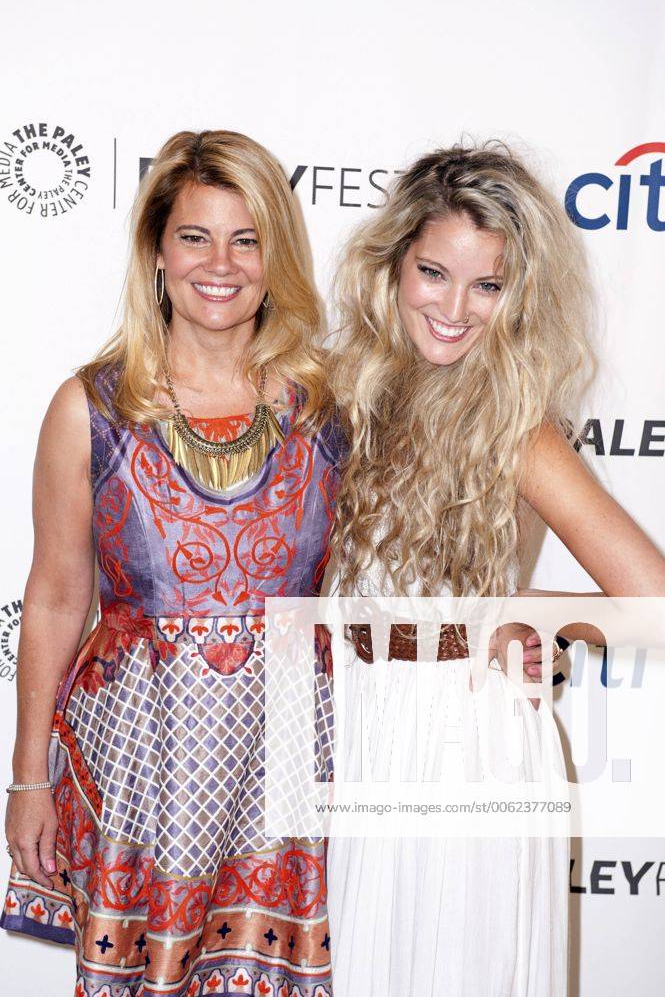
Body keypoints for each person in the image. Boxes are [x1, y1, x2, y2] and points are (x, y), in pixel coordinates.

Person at [1, 130, 344, 997]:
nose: (219, 263)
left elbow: (393, 577)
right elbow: (52, 598)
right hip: (139, 760)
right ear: (157, 250)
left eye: (246, 237)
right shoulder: (91, 407)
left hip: (294, 765)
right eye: (195, 236)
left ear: (277, 256)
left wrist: (508, 633)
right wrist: (28, 777)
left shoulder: (333, 409)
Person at [326, 143, 665, 996]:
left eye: (488, 285)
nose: (454, 308)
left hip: (464, 746)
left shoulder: (518, 427)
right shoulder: (342, 392)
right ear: (392, 263)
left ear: (518, 295)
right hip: (358, 733)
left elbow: (653, 604)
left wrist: (523, 613)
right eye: (433, 272)